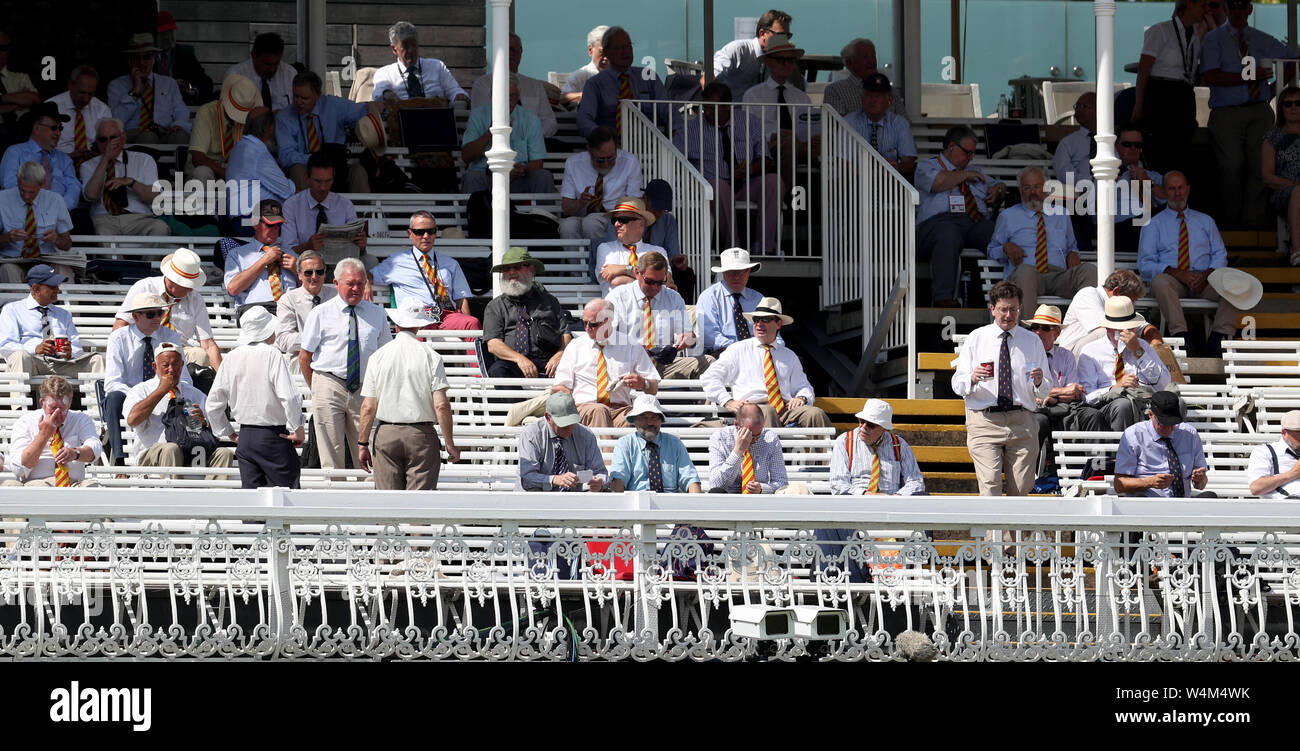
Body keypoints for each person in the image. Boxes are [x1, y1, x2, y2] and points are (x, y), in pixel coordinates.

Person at [1201, 0, 1299, 230]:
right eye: (1232, 6)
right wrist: (1248, 77)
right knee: (1231, 166)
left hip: (1259, 109)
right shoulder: (1214, 38)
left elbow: (1291, 60)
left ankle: (1254, 225)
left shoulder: (1261, 37)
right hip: (1226, 112)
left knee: (1260, 168)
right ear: (1226, 9)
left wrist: (1276, 90)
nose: (1237, 11)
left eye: (1241, 6)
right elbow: (1211, 76)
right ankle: (1231, 225)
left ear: (1249, 9)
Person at [950, 281, 1050, 497]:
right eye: (1003, 309)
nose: (1008, 315)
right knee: (990, 487)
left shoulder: (1032, 341)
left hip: (1022, 420)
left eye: (1013, 309)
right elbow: (957, 384)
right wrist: (972, 378)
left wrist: (1041, 382)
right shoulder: (977, 338)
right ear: (992, 309)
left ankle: (1009, 533)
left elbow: (1045, 391)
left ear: (1020, 309)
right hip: (984, 421)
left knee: (1022, 488)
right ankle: (994, 533)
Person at [299, 257, 393, 472]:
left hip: (365, 386)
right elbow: (305, 356)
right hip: (328, 382)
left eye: (360, 283)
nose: (356, 288)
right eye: (350, 283)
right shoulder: (321, 313)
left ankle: (369, 500)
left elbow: (385, 355)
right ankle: (333, 498)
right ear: (337, 283)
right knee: (331, 454)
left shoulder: (377, 313)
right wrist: (316, 388)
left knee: (368, 451)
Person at [355, 298, 459, 490]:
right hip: (421, 435)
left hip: (387, 433)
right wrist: (450, 443)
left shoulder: (378, 356)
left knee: (388, 507)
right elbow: (441, 405)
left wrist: (362, 443)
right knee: (419, 507)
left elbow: (368, 407)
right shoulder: (432, 356)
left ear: (396, 324)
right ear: (418, 326)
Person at [674, 82, 784, 255]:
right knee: (718, 186)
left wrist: (749, 170)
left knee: (773, 181)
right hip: (712, 186)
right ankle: (734, 248)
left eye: (714, 108)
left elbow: (765, 158)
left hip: (746, 183)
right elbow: (675, 159)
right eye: (706, 108)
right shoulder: (691, 128)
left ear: (728, 106)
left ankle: (765, 248)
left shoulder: (749, 121)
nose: (708, 113)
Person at [1137, 171, 1239, 355]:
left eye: (1181, 188)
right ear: (1165, 192)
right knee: (1160, 282)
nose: (1177, 193)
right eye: (1172, 188)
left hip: (1206, 281)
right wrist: (1177, 273)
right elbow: (1145, 264)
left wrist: (1206, 275)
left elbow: (1220, 255)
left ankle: (1217, 340)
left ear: (1188, 189)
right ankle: (1183, 338)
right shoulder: (1154, 224)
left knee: (1235, 284)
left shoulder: (1206, 221)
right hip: (1174, 282)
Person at [205, 307, 305, 488]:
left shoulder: (231, 357)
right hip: (274, 436)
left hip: (246, 437)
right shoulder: (272, 354)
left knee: (252, 503)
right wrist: (298, 427)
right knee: (285, 499)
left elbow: (213, 404)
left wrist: (228, 432)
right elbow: (289, 398)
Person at [701, 296, 832, 429]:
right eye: (756, 320)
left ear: (778, 324)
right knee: (768, 412)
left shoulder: (789, 355)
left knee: (816, 414)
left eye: (765, 319)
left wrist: (802, 397)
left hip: (784, 408)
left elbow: (804, 386)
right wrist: (727, 401)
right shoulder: (737, 349)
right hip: (752, 408)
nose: (759, 324)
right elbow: (709, 377)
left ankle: (824, 450)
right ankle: (773, 450)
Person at [987, 165, 1096, 317]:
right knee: (1026, 271)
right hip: (1025, 277)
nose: (1032, 193)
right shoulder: (1008, 216)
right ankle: (1027, 332)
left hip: (1057, 276)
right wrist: (1005, 247)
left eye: (1037, 187)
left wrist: (1073, 253)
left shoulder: (1061, 214)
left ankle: (1083, 327)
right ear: (1020, 190)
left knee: (1089, 270)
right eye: (1027, 188)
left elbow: (1072, 246)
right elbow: (992, 250)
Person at [915, 125, 1006, 306]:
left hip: (975, 221)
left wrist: (997, 190)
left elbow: (1000, 185)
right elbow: (939, 183)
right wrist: (965, 175)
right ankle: (944, 300)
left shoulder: (975, 171)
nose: (971, 158)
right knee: (947, 234)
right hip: (938, 223)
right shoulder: (927, 166)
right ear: (951, 147)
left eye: (973, 154)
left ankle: (1010, 295)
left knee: (1002, 234)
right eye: (967, 153)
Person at [103, 293, 189, 465]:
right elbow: (112, 383)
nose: (157, 318)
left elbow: (184, 376)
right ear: (135, 316)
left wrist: (163, 390)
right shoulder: (118, 337)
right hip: (129, 395)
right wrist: (143, 393)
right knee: (113, 398)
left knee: (188, 394)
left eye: (160, 313)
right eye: (151, 314)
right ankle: (119, 460)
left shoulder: (170, 335)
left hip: (164, 391)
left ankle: (187, 449)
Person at [123, 342, 235, 472]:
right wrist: (161, 390)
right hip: (153, 455)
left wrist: (204, 423)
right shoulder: (141, 390)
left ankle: (215, 492)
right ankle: (172, 492)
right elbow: (132, 420)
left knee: (223, 454)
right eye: (165, 365)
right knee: (171, 448)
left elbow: (216, 434)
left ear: (182, 365)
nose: (171, 369)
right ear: (155, 366)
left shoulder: (195, 394)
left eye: (175, 364)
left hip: (192, 452)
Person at [552, 298, 660, 428]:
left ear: (609, 321)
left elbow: (653, 388)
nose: (587, 328)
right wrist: (565, 396)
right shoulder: (575, 346)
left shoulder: (630, 344)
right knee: (599, 411)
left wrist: (643, 383)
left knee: (640, 418)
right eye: (584, 323)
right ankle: (606, 449)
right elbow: (561, 386)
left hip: (620, 410)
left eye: (593, 324)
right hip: (585, 408)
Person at [369, 210, 480, 331]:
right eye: (419, 232)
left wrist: (468, 327)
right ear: (410, 234)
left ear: (436, 232)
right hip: (417, 315)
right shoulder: (396, 262)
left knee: (472, 323)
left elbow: (461, 298)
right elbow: (369, 275)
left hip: (447, 314)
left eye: (430, 231)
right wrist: (365, 282)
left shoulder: (450, 263)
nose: (426, 236)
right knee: (418, 324)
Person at [113, 248, 221, 369]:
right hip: (143, 349)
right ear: (171, 279)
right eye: (187, 284)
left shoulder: (195, 298)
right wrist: (122, 356)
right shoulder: (143, 287)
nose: (191, 289)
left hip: (179, 353)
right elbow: (121, 325)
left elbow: (208, 344)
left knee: (199, 355)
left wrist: (223, 382)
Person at [1075, 297, 1172, 431]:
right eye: (1121, 329)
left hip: (1144, 401)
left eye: (1130, 328)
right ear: (1109, 329)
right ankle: (1122, 451)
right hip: (1109, 405)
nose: (1127, 333)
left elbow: (1164, 383)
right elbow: (1087, 396)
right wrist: (1117, 387)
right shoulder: (1090, 351)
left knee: (1176, 403)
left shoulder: (1142, 346)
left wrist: (1138, 352)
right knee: (1124, 405)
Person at [606, 252, 707, 379]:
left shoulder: (673, 297)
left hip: (663, 364)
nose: (655, 287)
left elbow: (689, 337)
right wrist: (638, 349)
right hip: (628, 364)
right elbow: (606, 336)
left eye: (660, 282)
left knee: (708, 364)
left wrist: (688, 339)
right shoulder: (618, 297)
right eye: (649, 281)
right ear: (637, 272)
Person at [1024, 305, 1100, 476]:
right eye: (1034, 327)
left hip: (1062, 407)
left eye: (1044, 328)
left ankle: (1094, 474)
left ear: (1056, 333)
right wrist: (1059, 392)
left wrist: (1050, 394)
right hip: (1035, 408)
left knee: (1092, 416)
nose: (1037, 332)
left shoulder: (1065, 356)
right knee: (1039, 421)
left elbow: (1074, 393)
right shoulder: (1025, 354)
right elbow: (1027, 390)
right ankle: (1030, 476)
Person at [1133, 0, 1206, 174]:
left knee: (1182, 153)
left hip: (1184, 95)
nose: (1206, 10)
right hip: (1162, 93)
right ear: (1188, 4)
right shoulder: (1160, 31)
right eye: (1202, 5)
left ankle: (1175, 196)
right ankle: (1157, 196)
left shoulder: (1196, 34)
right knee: (1160, 151)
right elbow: (1144, 70)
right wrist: (1138, 107)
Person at [277, 71, 379, 192]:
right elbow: (285, 156)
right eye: (295, 96)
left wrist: (378, 107)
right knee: (297, 170)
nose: (298, 102)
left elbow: (363, 112)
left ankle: (361, 211)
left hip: (336, 169)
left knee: (358, 171)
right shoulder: (284, 117)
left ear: (318, 95)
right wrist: (316, 161)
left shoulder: (333, 105)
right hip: (306, 169)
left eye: (305, 98)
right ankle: (305, 210)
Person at [482, 247, 571, 378]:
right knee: (498, 370)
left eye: (517, 267)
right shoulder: (495, 306)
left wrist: (560, 354)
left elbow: (565, 334)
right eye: (506, 269)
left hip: (549, 363)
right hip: (512, 363)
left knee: (573, 369)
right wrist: (520, 359)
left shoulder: (550, 301)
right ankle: (519, 400)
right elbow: (493, 344)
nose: (511, 272)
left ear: (531, 269)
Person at [0, 264, 102, 377]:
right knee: (20, 356)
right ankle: (18, 395)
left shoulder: (63, 314)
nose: (57, 290)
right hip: (32, 361)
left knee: (96, 359)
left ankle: (98, 394)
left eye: (57, 285)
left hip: (61, 363)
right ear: (36, 289)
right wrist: (35, 349)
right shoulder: (12, 309)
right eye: (52, 286)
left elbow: (77, 349)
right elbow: (6, 346)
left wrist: (70, 352)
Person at [461, 75, 554, 194]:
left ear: (518, 96)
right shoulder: (478, 115)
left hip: (519, 178)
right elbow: (466, 157)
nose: (506, 100)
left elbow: (538, 163)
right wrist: (490, 133)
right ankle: (473, 213)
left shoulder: (530, 119)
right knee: (471, 178)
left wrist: (523, 169)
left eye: (511, 95)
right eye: (501, 95)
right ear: (492, 96)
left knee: (543, 177)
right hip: (486, 176)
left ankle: (542, 213)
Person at [742, 34, 821, 170]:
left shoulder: (801, 97)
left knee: (831, 148)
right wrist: (771, 136)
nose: (786, 64)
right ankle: (785, 190)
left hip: (800, 146)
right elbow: (747, 133)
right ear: (768, 62)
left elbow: (809, 128)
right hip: (766, 148)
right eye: (780, 60)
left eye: (790, 60)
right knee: (788, 143)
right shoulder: (753, 95)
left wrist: (815, 138)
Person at [4, 376, 100, 487]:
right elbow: (18, 469)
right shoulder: (25, 422)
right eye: (53, 408)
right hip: (35, 483)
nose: (58, 413)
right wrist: (43, 435)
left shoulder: (80, 419)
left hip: (72, 483)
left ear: (69, 403)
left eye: (63, 408)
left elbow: (95, 449)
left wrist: (75, 453)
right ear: (42, 403)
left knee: (94, 487)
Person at [576, 27, 670, 138]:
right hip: (611, 149)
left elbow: (669, 111)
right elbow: (584, 119)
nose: (625, 51)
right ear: (606, 52)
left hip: (649, 146)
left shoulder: (648, 77)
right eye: (618, 48)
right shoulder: (595, 84)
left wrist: (677, 134)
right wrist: (599, 136)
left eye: (628, 46)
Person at [79, 118, 167, 237]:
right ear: (97, 142)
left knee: (160, 228)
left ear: (123, 138)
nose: (109, 143)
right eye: (103, 139)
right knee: (101, 233)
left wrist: (130, 182)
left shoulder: (144, 159)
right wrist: (105, 159)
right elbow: (91, 195)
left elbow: (155, 198)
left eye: (113, 138)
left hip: (139, 219)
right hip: (104, 220)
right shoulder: (88, 165)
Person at [1114, 390, 1209, 497]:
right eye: (1163, 424)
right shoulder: (1133, 435)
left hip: (1182, 504)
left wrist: (1201, 479)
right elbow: (1119, 484)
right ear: (1151, 415)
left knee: (1210, 496)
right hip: (1147, 504)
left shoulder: (1190, 434)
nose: (1168, 428)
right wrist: (1150, 482)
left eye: (1173, 423)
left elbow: (1200, 485)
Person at [559, 126, 643, 243]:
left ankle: (599, 260)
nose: (606, 164)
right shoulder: (573, 163)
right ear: (589, 150)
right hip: (583, 215)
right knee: (567, 226)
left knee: (591, 222)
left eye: (611, 158)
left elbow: (636, 204)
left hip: (615, 217)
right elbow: (566, 208)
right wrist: (580, 202)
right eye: (600, 160)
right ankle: (577, 262)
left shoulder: (629, 162)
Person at [828, 398, 924, 496]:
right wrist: (866, 494)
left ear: (884, 428)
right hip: (857, 501)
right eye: (861, 421)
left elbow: (916, 481)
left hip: (892, 504)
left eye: (871, 424)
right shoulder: (845, 441)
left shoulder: (899, 444)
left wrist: (897, 497)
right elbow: (837, 483)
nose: (863, 427)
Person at [107, 33, 190, 144]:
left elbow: (181, 110)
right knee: (148, 138)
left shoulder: (169, 83)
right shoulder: (116, 85)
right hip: (133, 134)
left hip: (163, 131)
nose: (141, 62)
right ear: (129, 61)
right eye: (136, 58)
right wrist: (135, 91)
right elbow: (116, 121)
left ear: (154, 58)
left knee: (180, 136)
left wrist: (178, 125)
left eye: (146, 57)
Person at [470, 35, 559, 139]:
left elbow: (549, 121)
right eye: (507, 49)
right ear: (498, 51)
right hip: (496, 143)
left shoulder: (535, 86)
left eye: (515, 49)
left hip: (534, 144)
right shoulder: (483, 84)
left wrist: (530, 136)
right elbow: (481, 120)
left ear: (521, 52)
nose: (511, 53)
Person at [696, 247, 780, 356]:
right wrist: (740, 349)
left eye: (740, 272)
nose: (736, 277)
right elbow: (709, 335)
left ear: (748, 272)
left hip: (758, 353)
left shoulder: (759, 298)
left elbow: (774, 333)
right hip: (724, 354)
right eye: (731, 272)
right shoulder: (709, 297)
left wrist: (776, 348)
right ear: (724, 273)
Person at [608, 394, 701, 493]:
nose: (650, 423)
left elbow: (691, 480)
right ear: (634, 420)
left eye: (654, 417)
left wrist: (698, 505)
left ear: (661, 420)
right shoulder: (625, 444)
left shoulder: (675, 444)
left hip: (670, 503)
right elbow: (618, 480)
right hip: (636, 502)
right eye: (643, 417)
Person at [1058, 269, 1164, 354]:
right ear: (1116, 291)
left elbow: (1147, 328)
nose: (1132, 305)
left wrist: (1157, 346)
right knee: (1110, 334)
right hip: (1070, 357)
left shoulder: (1122, 308)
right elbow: (1106, 330)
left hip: (1098, 358)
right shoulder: (1087, 294)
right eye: (1131, 300)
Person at [280, 152, 366, 256]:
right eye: (318, 181)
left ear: (333, 178)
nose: (323, 187)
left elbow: (357, 248)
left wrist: (361, 246)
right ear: (307, 178)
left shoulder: (345, 205)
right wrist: (307, 247)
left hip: (340, 266)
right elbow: (287, 251)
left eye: (328, 181)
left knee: (370, 260)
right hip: (306, 267)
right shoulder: (292, 205)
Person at [0, 162, 74, 283]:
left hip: (47, 262)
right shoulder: (2, 199)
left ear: (43, 184)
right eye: (22, 190)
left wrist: (56, 239)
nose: (26, 196)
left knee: (63, 269)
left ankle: (69, 302)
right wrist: (7, 238)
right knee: (7, 270)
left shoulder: (55, 200)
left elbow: (67, 244)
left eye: (32, 192)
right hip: (14, 261)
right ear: (18, 181)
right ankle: (16, 303)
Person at [0, 102, 81, 211]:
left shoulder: (64, 159)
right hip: (23, 213)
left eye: (60, 128)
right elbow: (9, 184)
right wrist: (36, 205)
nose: (58, 133)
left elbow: (74, 188)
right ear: (37, 128)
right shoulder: (15, 152)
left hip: (57, 216)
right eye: (53, 128)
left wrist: (60, 209)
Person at [518, 391, 607, 491]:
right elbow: (527, 478)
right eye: (564, 425)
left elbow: (601, 472)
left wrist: (599, 482)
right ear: (548, 417)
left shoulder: (585, 435)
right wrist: (555, 479)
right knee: (534, 490)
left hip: (574, 501)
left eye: (572, 422)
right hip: (536, 500)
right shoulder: (531, 434)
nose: (570, 428)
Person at [224, 198, 299, 309]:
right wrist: (263, 261)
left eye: (278, 225)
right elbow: (233, 289)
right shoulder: (237, 254)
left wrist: (299, 270)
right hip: (255, 310)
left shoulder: (290, 254)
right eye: (270, 225)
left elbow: (310, 290)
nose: (275, 229)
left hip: (288, 310)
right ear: (255, 223)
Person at [371, 21, 469, 104]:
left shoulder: (437, 66)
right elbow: (378, 93)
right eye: (405, 46)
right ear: (394, 49)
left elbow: (454, 90)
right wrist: (387, 94)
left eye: (414, 45)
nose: (411, 50)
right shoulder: (384, 73)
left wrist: (459, 95)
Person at [188, 73, 261, 182]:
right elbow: (197, 158)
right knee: (202, 172)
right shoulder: (206, 112)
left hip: (235, 171)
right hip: (210, 171)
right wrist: (227, 174)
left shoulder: (251, 119)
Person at [1107, 126, 1168, 255]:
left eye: (1137, 144)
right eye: (1127, 144)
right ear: (1116, 147)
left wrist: (1147, 182)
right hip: (1122, 230)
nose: (1133, 148)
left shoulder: (1154, 176)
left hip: (1153, 228)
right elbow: (1093, 215)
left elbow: (1170, 204)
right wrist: (1108, 188)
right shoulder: (1106, 177)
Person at [844, 72, 915, 178]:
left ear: (890, 100)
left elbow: (909, 161)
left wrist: (897, 167)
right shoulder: (849, 122)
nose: (872, 100)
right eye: (868, 95)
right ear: (862, 99)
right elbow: (840, 160)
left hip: (890, 181)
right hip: (855, 181)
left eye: (878, 96)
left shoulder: (899, 123)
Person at [712, 9, 793, 101]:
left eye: (787, 37)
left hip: (761, 113)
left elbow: (801, 87)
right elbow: (708, 81)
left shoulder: (779, 60)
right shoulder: (738, 50)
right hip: (731, 112)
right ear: (762, 34)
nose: (783, 41)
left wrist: (791, 59)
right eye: (780, 36)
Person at [708, 402, 788, 493]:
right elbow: (715, 485)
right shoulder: (720, 437)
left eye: (759, 435)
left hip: (758, 498)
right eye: (750, 435)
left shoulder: (770, 438)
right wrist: (737, 452)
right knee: (716, 491)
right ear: (736, 425)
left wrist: (762, 488)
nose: (754, 440)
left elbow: (782, 482)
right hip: (728, 497)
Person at [1052, 93, 1098, 250]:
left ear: (1099, 109)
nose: (1078, 110)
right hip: (1080, 194)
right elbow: (1063, 171)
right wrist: (1088, 182)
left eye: (1085, 106)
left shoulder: (1111, 140)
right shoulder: (1068, 142)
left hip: (1112, 193)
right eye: (1077, 106)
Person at [594, 197, 667, 295]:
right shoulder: (606, 249)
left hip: (650, 309)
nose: (616, 224)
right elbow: (615, 281)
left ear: (641, 223)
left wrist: (625, 269)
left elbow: (666, 280)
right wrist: (650, 281)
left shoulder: (658, 251)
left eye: (622, 220)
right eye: (614, 220)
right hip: (616, 309)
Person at [275, 249, 335, 364]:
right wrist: (317, 338)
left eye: (319, 272)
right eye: (308, 272)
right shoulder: (288, 300)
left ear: (325, 274)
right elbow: (283, 340)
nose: (314, 276)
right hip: (301, 359)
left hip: (333, 358)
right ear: (299, 275)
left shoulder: (336, 296)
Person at [226, 106, 294, 205]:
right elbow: (286, 191)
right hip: (252, 215)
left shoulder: (240, 146)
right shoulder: (258, 152)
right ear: (270, 128)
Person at [1263, 85, 1300, 263]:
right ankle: (1296, 250)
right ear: (1281, 108)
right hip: (1285, 192)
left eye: (1298, 103)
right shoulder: (1272, 137)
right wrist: (1294, 185)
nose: (1294, 107)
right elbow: (1267, 177)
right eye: (1288, 104)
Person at [47, 65, 111, 162]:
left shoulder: (102, 109)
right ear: (70, 85)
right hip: (57, 163)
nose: (85, 99)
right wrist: (69, 157)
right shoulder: (51, 107)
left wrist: (97, 154)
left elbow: (109, 143)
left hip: (93, 164)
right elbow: (40, 149)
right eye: (82, 92)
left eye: (90, 94)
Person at [225, 33, 297, 112]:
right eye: (267, 64)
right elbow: (228, 114)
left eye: (276, 64)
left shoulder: (290, 74)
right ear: (253, 56)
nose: (272, 70)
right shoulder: (235, 75)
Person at [154, 11, 214, 105]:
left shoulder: (185, 54)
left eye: (170, 31)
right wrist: (171, 85)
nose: (167, 37)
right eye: (162, 33)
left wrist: (193, 91)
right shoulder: (147, 57)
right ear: (154, 34)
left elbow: (206, 83)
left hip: (180, 106)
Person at [824, 38, 894, 116]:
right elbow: (836, 126)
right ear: (849, 63)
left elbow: (906, 123)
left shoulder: (888, 89)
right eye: (865, 57)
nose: (871, 61)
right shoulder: (835, 91)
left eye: (873, 56)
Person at [1246, 409, 1300, 499]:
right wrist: (1292, 474)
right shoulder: (1265, 452)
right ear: (1284, 433)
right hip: (1285, 506)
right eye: (1298, 433)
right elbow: (1256, 488)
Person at [0, 28, 40, 135]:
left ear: (8, 50)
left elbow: (34, 99)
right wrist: (16, 104)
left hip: (21, 133)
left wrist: (1, 99)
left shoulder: (21, 78)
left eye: (2, 48)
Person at [560, 26, 609, 106]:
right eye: (602, 52)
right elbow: (562, 98)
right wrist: (584, 95)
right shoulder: (581, 75)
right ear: (590, 50)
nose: (607, 57)